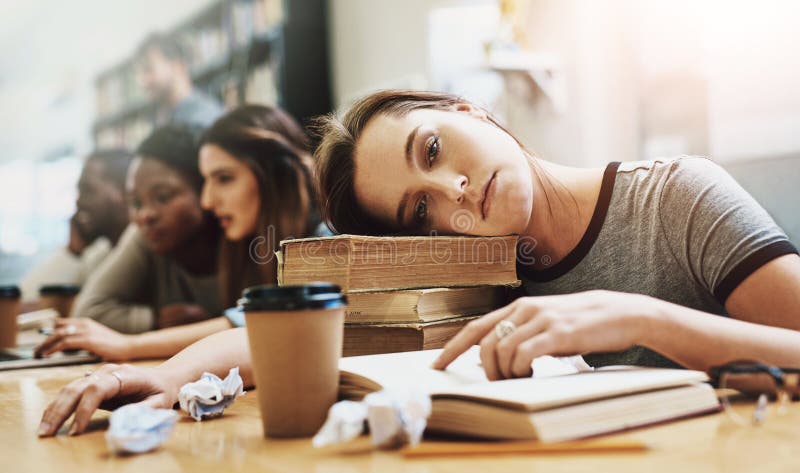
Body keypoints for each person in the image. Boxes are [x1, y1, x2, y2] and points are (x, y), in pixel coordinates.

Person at [37, 89, 800, 437]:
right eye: (420, 211)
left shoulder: (678, 198)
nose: (452, 193)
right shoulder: (462, 273)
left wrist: (643, 318)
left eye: (431, 150)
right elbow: (310, 325)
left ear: (466, 109)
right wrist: (165, 376)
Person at [35, 105, 327, 362]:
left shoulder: (324, 241)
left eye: (224, 179)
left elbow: (261, 322)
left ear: (276, 175)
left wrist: (129, 346)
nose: (208, 201)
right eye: (135, 202)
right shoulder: (248, 242)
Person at [63, 125, 222, 334]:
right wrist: (155, 320)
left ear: (205, 190)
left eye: (163, 197)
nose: (145, 215)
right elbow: (87, 312)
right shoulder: (144, 235)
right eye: (136, 203)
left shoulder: (238, 236)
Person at [20, 149, 132, 303]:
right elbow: (23, 302)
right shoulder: (97, 257)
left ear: (125, 193)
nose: (78, 201)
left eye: (88, 190)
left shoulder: (147, 254)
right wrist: (73, 251)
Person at [137, 32, 223, 128]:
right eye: (139, 74)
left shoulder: (206, 119)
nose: (142, 82)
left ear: (177, 66)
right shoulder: (169, 120)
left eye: (148, 69)